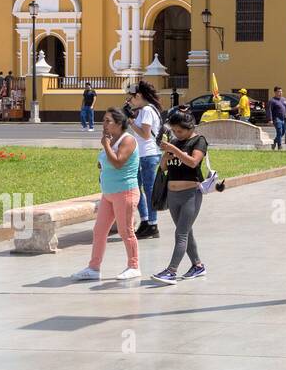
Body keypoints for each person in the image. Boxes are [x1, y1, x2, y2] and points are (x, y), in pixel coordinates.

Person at [72, 109, 140, 281]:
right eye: (104, 120)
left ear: (119, 123)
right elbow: (104, 162)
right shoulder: (112, 140)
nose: (104, 124)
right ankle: (94, 268)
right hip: (108, 193)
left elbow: (118, 162)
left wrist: (106, 145)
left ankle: (134, 266)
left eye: (108, 121)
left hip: (125, 192)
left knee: (126, 231)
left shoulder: (128, 140)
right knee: (99, 231)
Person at [152, 111, 209, 284]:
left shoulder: (199, 140)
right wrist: (165, 157)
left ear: (190, 128)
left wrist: (173, 149)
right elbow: (163, 167)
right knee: (186, 232)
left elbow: (193, 162)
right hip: (172, 194)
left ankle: (171, 271)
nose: (177, 134)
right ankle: (198, 266)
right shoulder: (175, 142)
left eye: (180, 131)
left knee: (181, 233)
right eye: (175, 131)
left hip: (190, 194)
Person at [125, 80, 163, 240]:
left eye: (132, 98)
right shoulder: (145, 109)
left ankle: (152, 224)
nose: (130, 101)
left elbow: (146, 134)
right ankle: (146, 222)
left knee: (147, 190)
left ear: (139, 96)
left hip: (148, 155)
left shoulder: (147, 110)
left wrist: (131, 122)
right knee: (136, 188)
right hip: (142, 155)